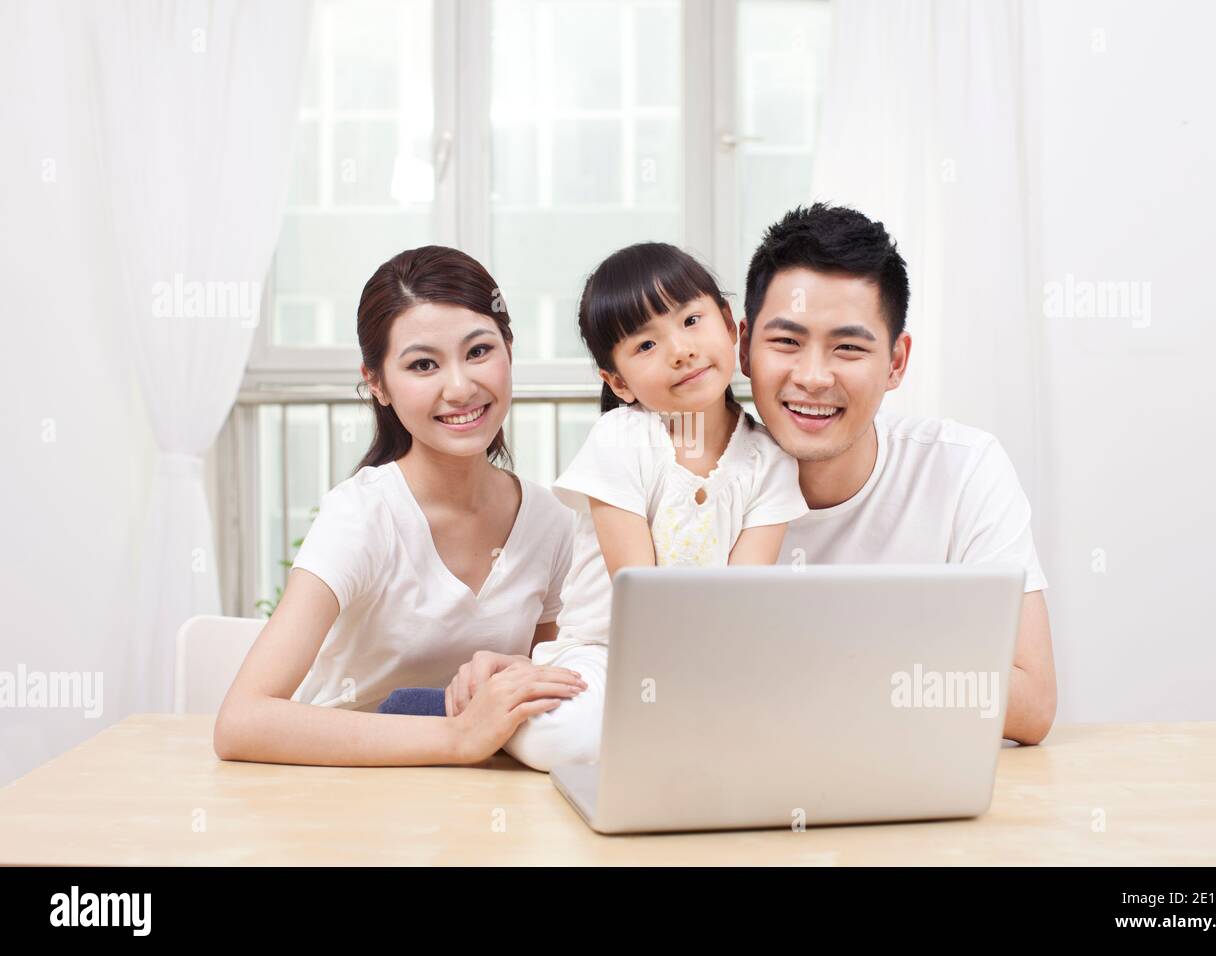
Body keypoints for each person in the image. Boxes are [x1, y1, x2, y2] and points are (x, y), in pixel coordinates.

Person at [212, 245, 586, 767]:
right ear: (378, 385)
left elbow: (553, 679)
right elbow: (242, 723)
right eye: (423, 364)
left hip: (479, 802)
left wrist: (513, 674)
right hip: (346, 799)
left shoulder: (550, 521)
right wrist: (458, 739)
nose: (460, 386)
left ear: (508, 350)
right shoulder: (363, 516)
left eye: (479, 351)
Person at [738, 203, 1057, 744]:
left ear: (896, 363)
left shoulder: (962, 468)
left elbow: (1032, 705)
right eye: (787, 342)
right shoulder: (689, 480)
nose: (813, 377)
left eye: (848, 348)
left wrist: (828, 650)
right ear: (744, 347)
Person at [499, 242, 808, 770]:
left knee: (800, 723)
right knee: (564, 737)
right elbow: (637, 591)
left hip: (712, 658)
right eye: (645, 345)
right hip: (607, 654)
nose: (680, 350)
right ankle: (484, 701)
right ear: (618, 382)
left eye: (691, 320)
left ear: (732, 327)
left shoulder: (770, 460)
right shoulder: (621, 440)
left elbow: (744, 596)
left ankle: (667, 735)